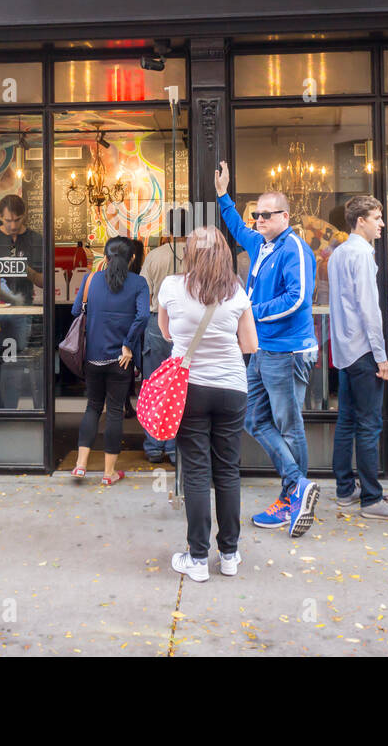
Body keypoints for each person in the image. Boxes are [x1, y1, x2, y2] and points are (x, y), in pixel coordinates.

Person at [214, 161, 320, 538]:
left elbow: (297, 300)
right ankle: (298, 485)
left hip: (287, 352)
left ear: (285, 216)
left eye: (266, 214)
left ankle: (292, 497)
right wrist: (224, 194)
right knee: (254, 419)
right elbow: (238, 229)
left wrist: (249, 311)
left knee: (290, 428)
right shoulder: (262, 242)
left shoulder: (295, 249)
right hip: (262, 350)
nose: (258, 219)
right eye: (256, 213)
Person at [162, 226, 257, 582]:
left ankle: (198, 558)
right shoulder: (237, 290)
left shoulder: (173, 286)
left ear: (189, 252)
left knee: (198, 472)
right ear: (223, 253)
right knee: (228, 471)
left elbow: (166, 331)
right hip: (232, 388)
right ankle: (230, 555)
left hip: (190, 388)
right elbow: (250, 345)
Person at [327, 196, 388, 522]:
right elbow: (368, 308)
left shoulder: (338, 254)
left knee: (347, 421)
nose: (381, 224)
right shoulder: (362, 254)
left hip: (346, 351)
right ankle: (371, 498)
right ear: (359, 220)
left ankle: (343, 490)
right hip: (363, 351)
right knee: (368, 425)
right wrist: (382, 357)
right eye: (376, 218)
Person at [70, 236, 150, 485]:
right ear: (132, 258)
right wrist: (127, 343)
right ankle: (108, 473)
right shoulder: (139, 283)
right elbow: (144, 316)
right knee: (115, 411)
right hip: (121, 360)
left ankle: (80, 465)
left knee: (93, 406)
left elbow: (75, 312)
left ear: (104, 258)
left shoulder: (90, 279)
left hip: (92, 356)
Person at [139, 205, 189, 463]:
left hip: (156, 323)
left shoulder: (154, 257)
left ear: (169, 229)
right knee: (181, 387)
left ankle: (154, 446)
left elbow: (143, 294)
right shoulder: (197, 255)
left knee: (156, 385)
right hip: (187, 326)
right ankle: (174, 448)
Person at [0, 194, 44, 408]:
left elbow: (44, 282)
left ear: (24, 216)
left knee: (15, 364)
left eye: (17, 220)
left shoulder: (35, 240)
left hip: (22, 310)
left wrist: (26, 270)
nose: (12, 225)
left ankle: (10, 411)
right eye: (7, 220)